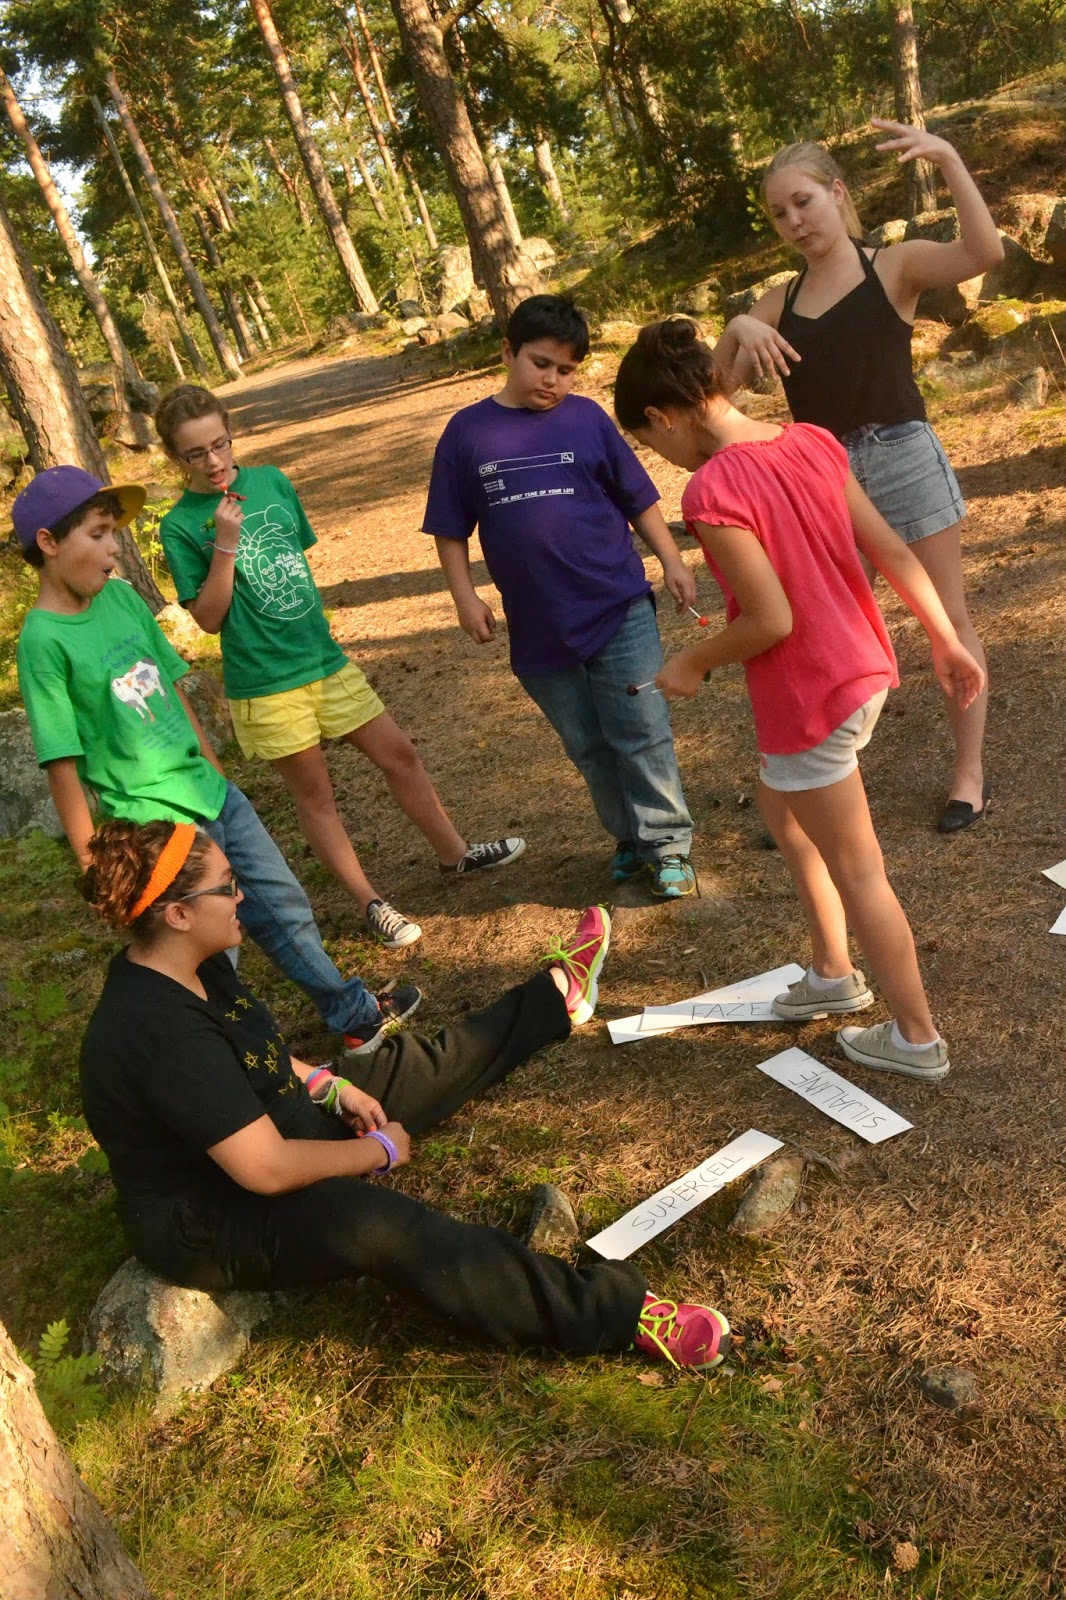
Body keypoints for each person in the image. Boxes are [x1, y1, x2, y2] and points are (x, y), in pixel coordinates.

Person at [77, 817, 731, 1372]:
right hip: (216, 1214)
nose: (242, 897)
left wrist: (326, 1083)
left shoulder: (194, 959)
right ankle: (609, 1313)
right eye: (229, 887)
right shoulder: (156, 1032)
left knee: (401, 1071)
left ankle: (555, 1001)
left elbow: (254, 1053)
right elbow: (266, 1169)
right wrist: (377, 1154)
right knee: (388, 1229)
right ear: (179, 913)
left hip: (269, 1125)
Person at [613, 319, 985, 1080]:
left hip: (812, 697)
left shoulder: (712, 489)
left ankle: (916, 1038)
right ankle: (829, 971)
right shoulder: (810, 439)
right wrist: (944, 637)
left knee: (860, 870)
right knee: (780, 805)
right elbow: (885, 544)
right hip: (861, 673)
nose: (665, 459)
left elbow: (770, 619)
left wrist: (692, 661)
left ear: (663, 415)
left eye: (653, 446)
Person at [13, 466, 416, 1058]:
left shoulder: (122, 599)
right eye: (97, 534)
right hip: (157, 825)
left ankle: (353, 1016)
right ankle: (241, 1064)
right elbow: (62, 764)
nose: (112, 550)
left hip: (213, 795)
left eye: (113, 534)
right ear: (48, 542)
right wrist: (91, 866)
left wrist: (218, 775)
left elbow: (173, 686)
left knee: (283, 906)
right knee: (210, 953)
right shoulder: (43, 641)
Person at [155, 385, 525, 952]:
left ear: (231, 435)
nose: (213, 462)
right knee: (317, 796)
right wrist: (225, 544)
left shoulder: (273, 482)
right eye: (194, 454)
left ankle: (456, 855)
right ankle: (370, 902)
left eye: (219, 444)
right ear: (173, 459)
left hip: (324, 660)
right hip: (266, 682)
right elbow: (208, 619)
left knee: (399, 755)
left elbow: (292, 563)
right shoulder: (182, 525)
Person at [712, 120, 1001, 833]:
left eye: (803, 201)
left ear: (838, 195)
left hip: (903, 457)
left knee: (949, 618)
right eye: (779, 213)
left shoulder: (892, 266)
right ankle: (818, 789)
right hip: (822, 476)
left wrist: (950, 162)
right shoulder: (778, 302)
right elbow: (716, 396)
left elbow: (983, 252)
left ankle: (969, 774)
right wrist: (737, 327)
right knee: (823, 634)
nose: (794, 221)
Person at [423, 293, 700, 900]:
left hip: (617, 604)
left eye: (567, 370)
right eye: (540, 363)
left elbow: (638, 498)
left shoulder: (588, 420)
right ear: (508, 353)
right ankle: (629, 837)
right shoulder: (467, 433)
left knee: (641, 727)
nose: (552, 380)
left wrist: (671, 560)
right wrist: (465, 598)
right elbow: (449, 527)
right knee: (588, 742)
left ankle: (669, 843)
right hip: (539, 624)